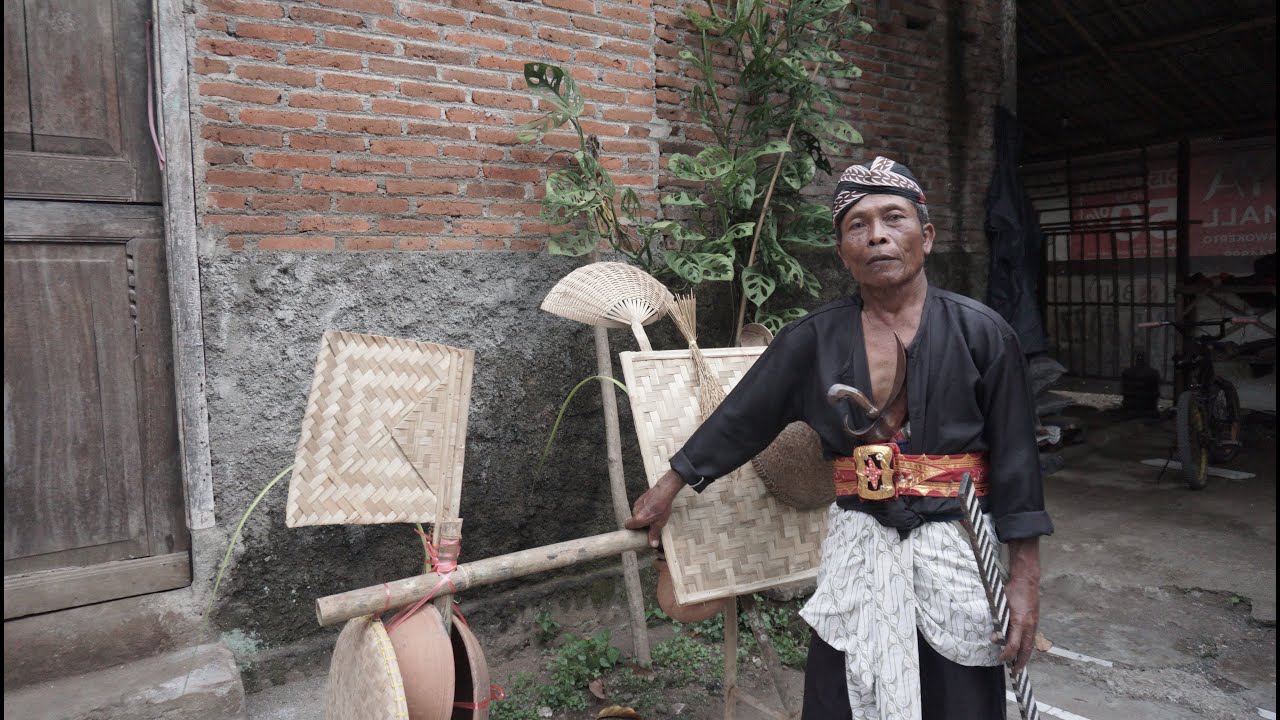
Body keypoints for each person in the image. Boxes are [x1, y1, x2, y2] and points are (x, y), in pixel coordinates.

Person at [625, 157, 1053, 719]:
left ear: (926, 235)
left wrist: (1024, 578)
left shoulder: (984, 333)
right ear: (842, 250)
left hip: (956, 550)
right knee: (841, 696)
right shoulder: (813, 339)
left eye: (893, 219)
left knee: (961, 698)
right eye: (858, 225)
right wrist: (670, 484)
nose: (877, 234)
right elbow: (742, 418)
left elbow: (1018, 461)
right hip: (858, 545)